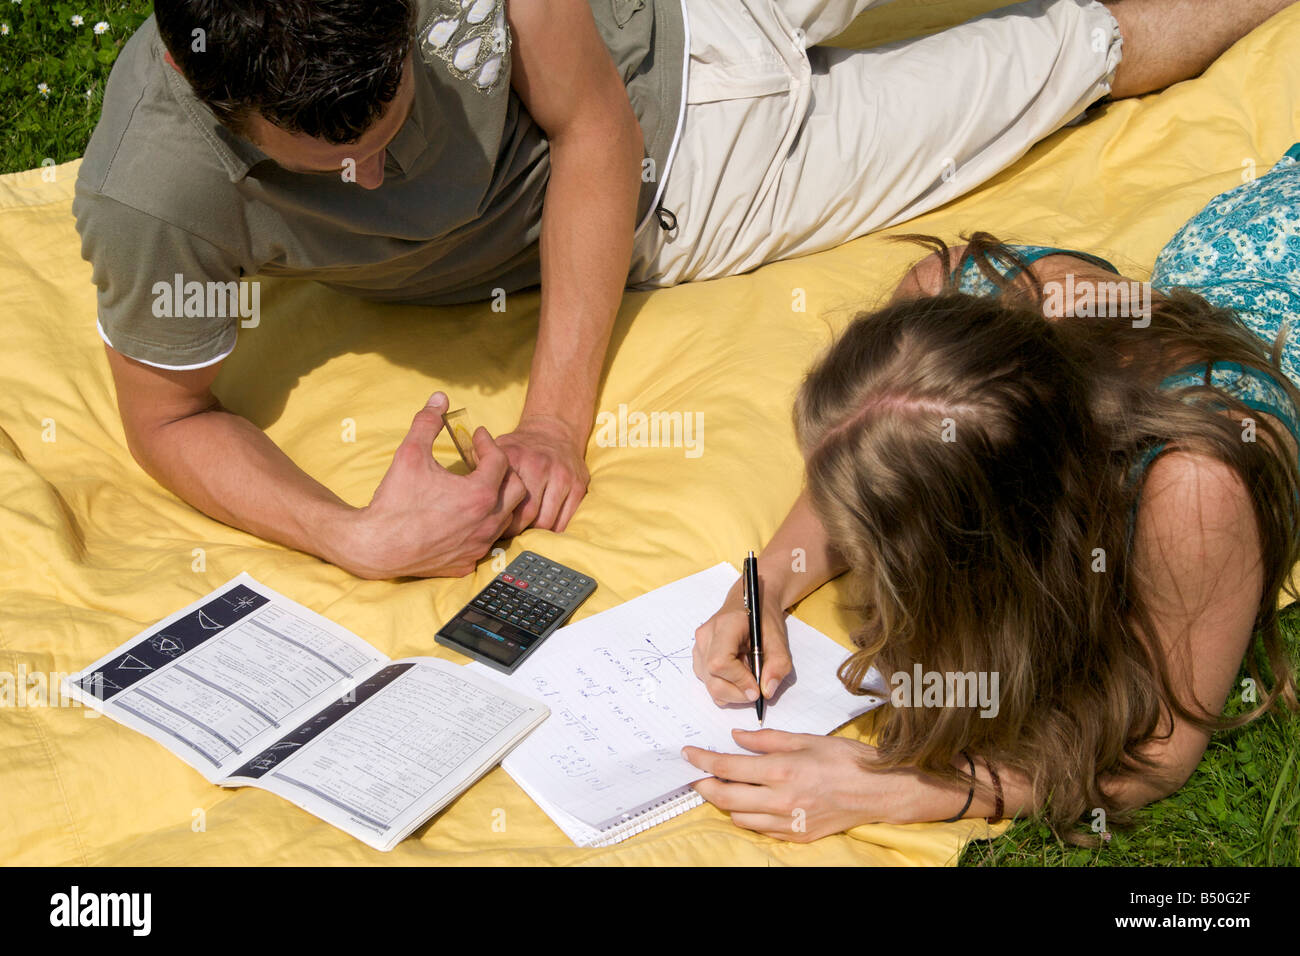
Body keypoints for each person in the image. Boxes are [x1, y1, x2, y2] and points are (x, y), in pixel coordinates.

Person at [72, 0, 1296, 578]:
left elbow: (589, 113)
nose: (378, 175)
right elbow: (171, 418)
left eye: (392, 123)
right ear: (201, 79)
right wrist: (349, 534)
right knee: (1073, 53)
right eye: (334, 168)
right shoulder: (155, 191)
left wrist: (551, 414)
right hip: (699, 189)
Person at [685, 142, 1300, 842]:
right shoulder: (945, 296)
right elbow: (864, 453)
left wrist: (909, 787)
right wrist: (761, 589)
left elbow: (1160, 753)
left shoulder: (1193, 487)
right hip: (1245, 241)